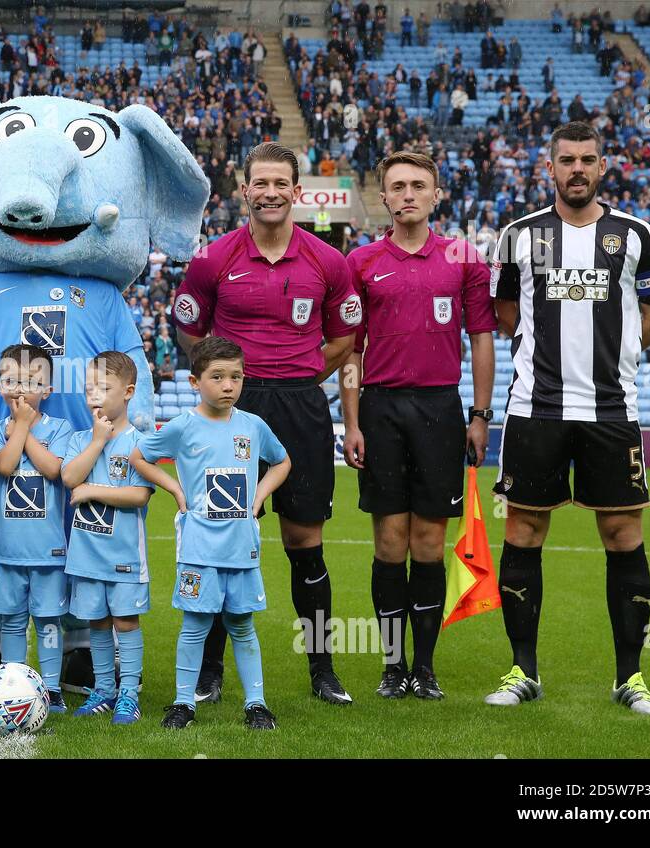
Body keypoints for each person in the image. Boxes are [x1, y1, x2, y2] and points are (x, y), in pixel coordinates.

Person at [486, 122, 650, 715]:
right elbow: (505, 309)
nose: (577, 169)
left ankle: (631, 678)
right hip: (535, 408)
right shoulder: (519, 236)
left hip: (612, 409)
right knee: (523, 532)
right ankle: (522, 670)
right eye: (566, 159)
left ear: (601, 167)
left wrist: (609, 349)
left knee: (623, 535)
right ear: (550, 167)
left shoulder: (637, 235)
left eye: (587, 160)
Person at [172, 142, 361, 706]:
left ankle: (322, 670)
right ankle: (209, 672)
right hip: (233, 409)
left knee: (305, 542)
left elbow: (345, 339)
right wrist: (227, 379)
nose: (272, 193)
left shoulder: (329, 261)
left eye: (282, 183)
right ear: (245, 190)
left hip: (302, 408)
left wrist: (299, 373)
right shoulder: (213, 259)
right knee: (218, 541)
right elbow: (190, 331)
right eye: (262, 183)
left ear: (297, 192)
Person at [341, 151, 497, 700]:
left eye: (418, 186)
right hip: (380, 409)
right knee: (390, 540)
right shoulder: (359, 263)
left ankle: (424, 668)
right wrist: (352, 421)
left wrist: (479, 415)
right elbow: (351, 351)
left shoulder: (463, 258)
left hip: (439, 409)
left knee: (429, 541)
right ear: (383, 197)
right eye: (398, 186)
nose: (408, 194)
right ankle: (392, 665)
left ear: (436, 195)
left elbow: (481, 337)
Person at [132, 336, 290, 731]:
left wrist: (258, 498)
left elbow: (282, 461)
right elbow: (139, 456)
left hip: (241, 547)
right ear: (194, 382)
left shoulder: (252, 426)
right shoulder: (183, 426)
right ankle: (184, 702)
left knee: (241, 624)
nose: (228, 385)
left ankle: (256, 704)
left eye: (235, 377)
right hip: (200, 547)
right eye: (217, 377)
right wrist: (174, 489)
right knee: (196, 625)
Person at [60, 351, 154, 725]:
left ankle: (128, 692)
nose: (94, 396)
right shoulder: (81, 438)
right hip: (86, 556)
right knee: (96, 623)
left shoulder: (140, 442)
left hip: (124, 555)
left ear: (129, 391)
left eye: (104, 388)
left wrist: (91, 491)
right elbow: (69, 478)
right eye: (88, 389)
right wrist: (97, 442)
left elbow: (139, 495)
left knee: (125, 622)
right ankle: (103, 690)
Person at [0, 344, 74, 713]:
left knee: (49, 620)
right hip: (5, 551)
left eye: (31, 381)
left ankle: (50, 688)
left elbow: (54, 470)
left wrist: (23, 428)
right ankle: (14, 685)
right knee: (13, 621)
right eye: (11, 380)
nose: (20, 388)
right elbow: (3, 466)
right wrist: (18, 425)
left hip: (48, 549)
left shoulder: (61, 428)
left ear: (47, 389)